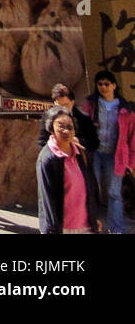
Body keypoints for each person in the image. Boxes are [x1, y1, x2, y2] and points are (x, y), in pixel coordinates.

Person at [76, 70, 135, 235]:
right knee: (91, 190)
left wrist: (131, 162)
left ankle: (116, 229)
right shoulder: (91, 105)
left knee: (114, 193)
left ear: (114, 86)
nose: (103, 87)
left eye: (106, 84)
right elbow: (81, 127)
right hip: (94, 152)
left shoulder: (125, 110)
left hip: (116, 156)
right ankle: (91, 226)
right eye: (100, 84)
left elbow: (132, 138)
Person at [37, 107, 100, 234]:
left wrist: (94, 219)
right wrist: (51, 229)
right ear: (51, 129)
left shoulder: (81, 154)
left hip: (86, 226)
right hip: (62, 228)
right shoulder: (48, 159)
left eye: (70, 126)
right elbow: (47, 199)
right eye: (61, 126)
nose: (66, 130)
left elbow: (91, 189)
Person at [36, 83, 98, 154]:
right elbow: (42, 142)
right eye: (59, 106)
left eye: (66, 105)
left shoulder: (84, 118)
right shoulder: (47, 117)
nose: (62, 109)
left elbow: (94, 143)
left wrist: (77, 141)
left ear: (72, 102)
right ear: (55, 103)